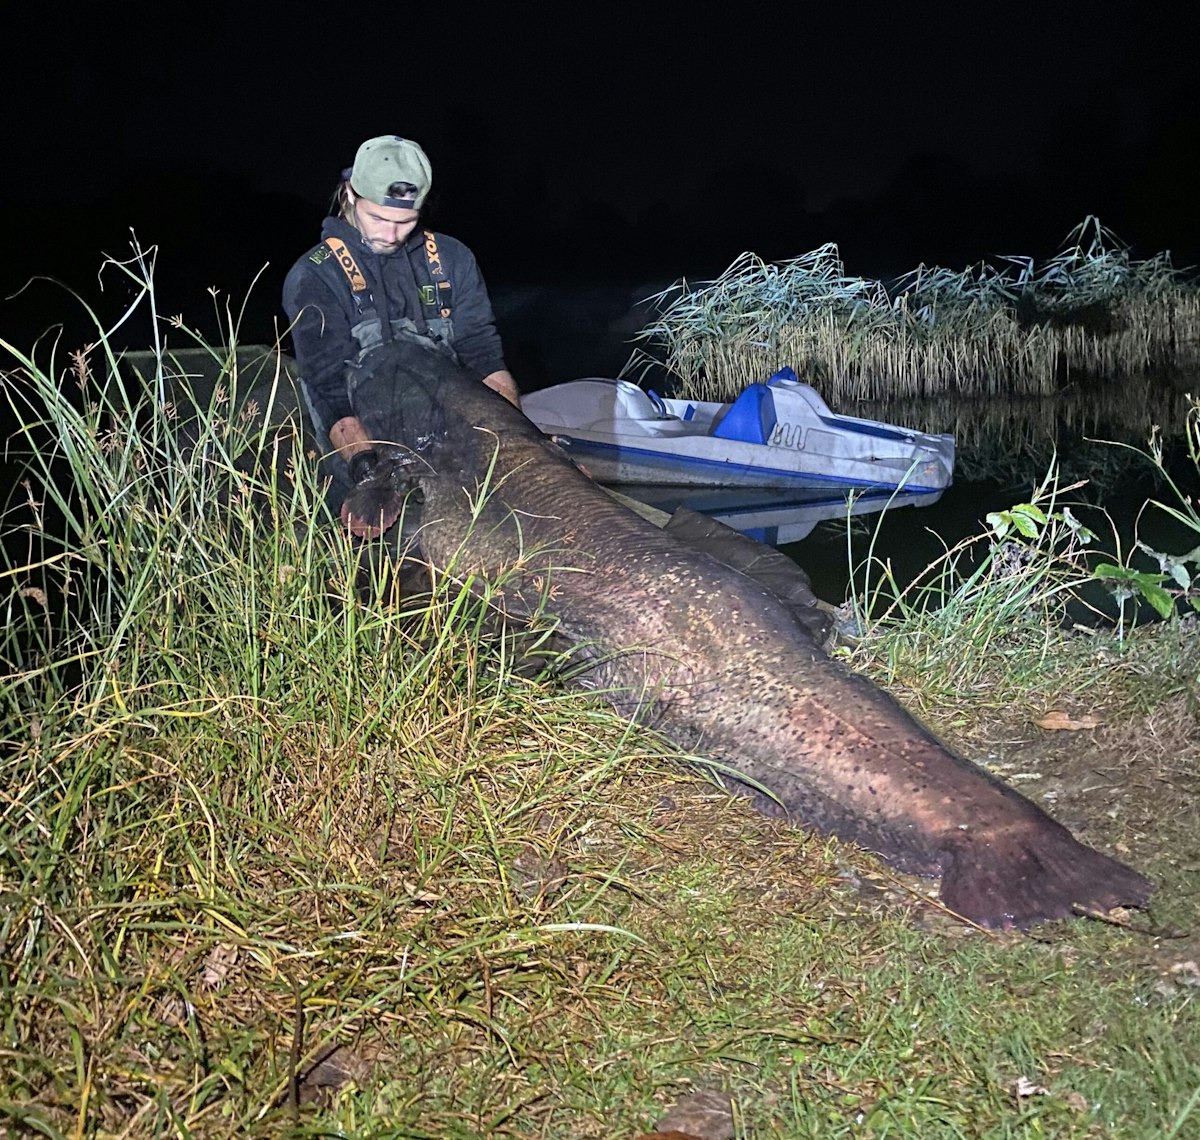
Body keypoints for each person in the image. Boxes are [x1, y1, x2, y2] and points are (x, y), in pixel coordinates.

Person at [283, 134, 519, 536]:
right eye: (378, 219)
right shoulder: (314, 274)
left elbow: (484, 355)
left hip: (453, 434)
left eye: (405, 222)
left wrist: (518, 444)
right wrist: (365, 466)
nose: (391, 235)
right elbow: (327, 388)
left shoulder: (454, 258)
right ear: (349, 194)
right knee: (382, 536)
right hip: (360, 440)